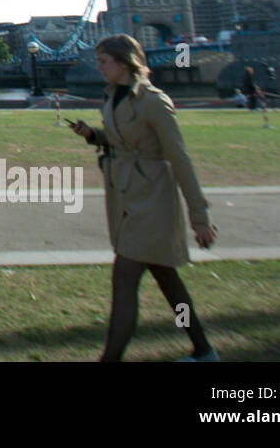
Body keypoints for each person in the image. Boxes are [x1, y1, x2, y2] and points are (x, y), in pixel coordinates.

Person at [70, 34, 219, 362]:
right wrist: (93, 135)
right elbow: (121, 139)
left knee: (124, 279)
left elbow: (179, 158)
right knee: (168, 282)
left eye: (103, 61)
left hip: (152, 201)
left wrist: (199, 215)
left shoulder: (153, 101)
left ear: (123, 63)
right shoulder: (112, 97)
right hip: (125, 197)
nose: (99, 68)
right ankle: (203, 349)